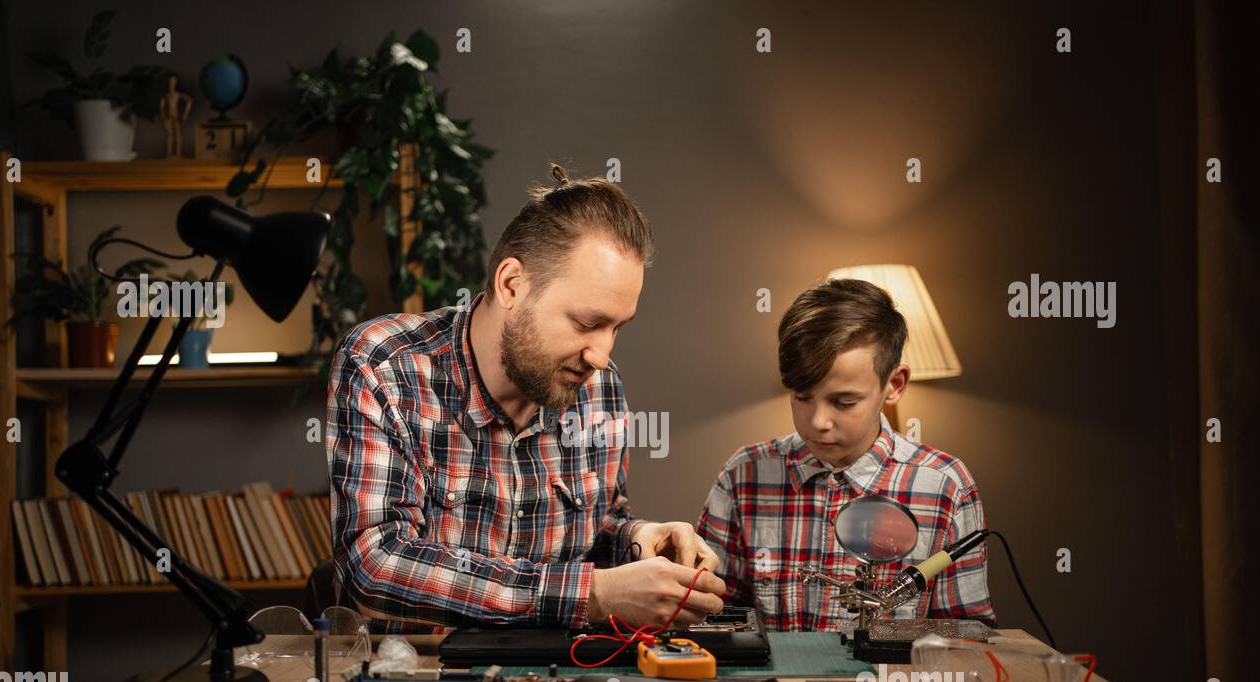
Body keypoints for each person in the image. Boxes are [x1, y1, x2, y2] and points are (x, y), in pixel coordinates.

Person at [327, 164, 725, 632]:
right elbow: (375, 566)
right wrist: (592, 595)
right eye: (585, 323)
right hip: (420, 679)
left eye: (617, 328)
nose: (602, 354)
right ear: (512, 284)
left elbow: (600, 527)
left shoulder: (600, 385)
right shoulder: (384, 366)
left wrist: (641, 539)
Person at [696, 278, 997, 631]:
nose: (818, 422)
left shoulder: (945, 486)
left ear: (894, 385)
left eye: (844, 402)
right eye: (802, 397)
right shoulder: (743, 476)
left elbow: (967, 637)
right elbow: (710, 618)